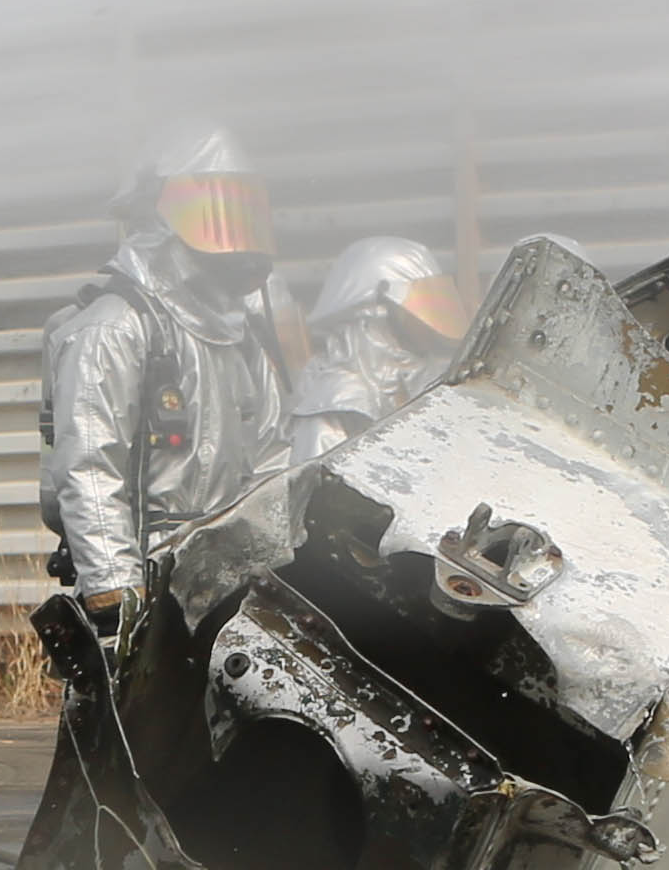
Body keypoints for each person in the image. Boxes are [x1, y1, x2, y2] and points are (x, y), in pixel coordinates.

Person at [37, 127, 292, 615]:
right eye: (210, 206)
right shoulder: (114, 328)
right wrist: (116, 595)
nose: (228, 226)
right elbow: (89, 467)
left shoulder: (244, 337)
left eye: (239, 206)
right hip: (147, 582)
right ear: (156, 215)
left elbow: (272, 465)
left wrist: (269, 573)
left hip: (229, 587)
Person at [287, 235, 467, 465]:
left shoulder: (423, 381)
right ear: (379, 308)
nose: (429, 324)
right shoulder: (335, 412)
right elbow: (315, 484)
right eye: (420, 307)